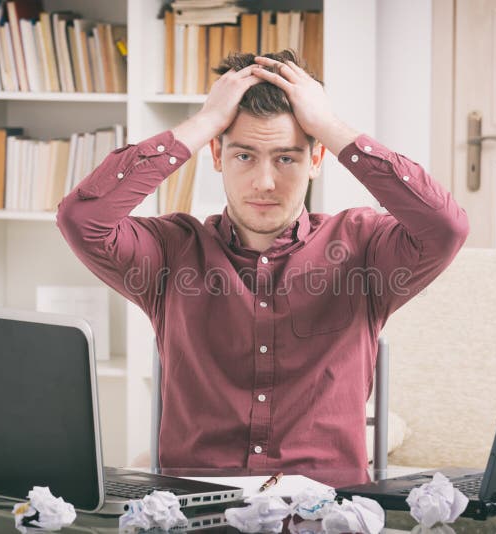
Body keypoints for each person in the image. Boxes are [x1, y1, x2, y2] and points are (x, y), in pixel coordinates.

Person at [57, 50, 469, 473]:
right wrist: (204, 123)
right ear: (216, 156)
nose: (265, 182)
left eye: (286, 158)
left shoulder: (364, 248)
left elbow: (445, 227)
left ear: (316, 160)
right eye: (244, 156)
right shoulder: (170, 252)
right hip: (198, 500)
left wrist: (328, 126)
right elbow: (81, 219)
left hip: (325, 508)